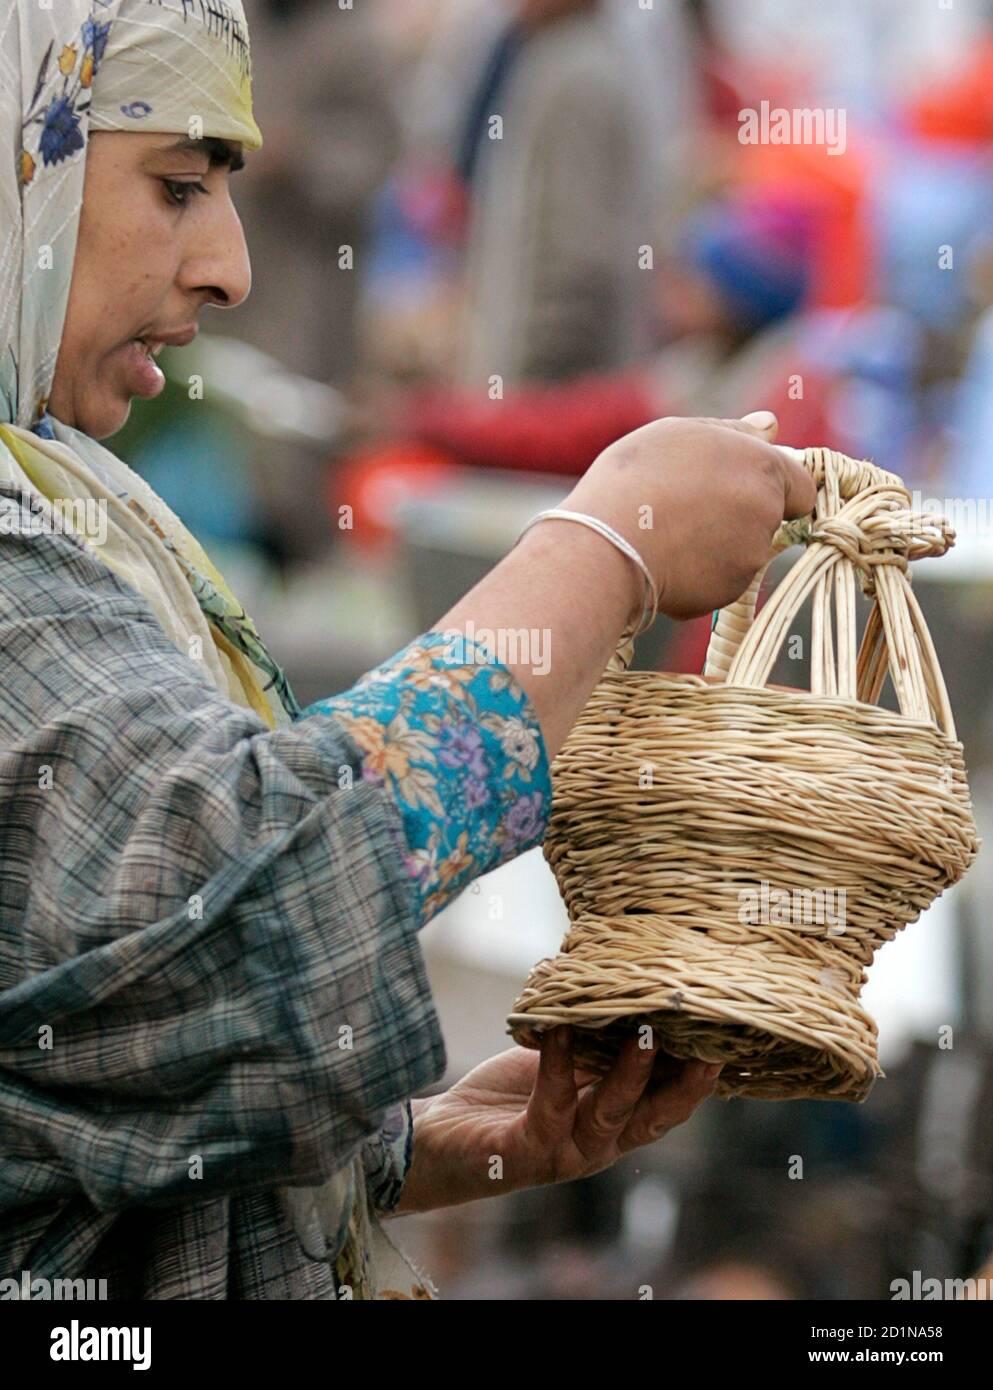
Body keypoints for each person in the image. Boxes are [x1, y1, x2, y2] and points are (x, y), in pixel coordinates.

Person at [0, 0, 815, 1300]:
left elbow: (95, 1030)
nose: (230, 266)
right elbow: (249, 907)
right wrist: (606, 547)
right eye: (176, 185)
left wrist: (398, 1154)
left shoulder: (64, 499)